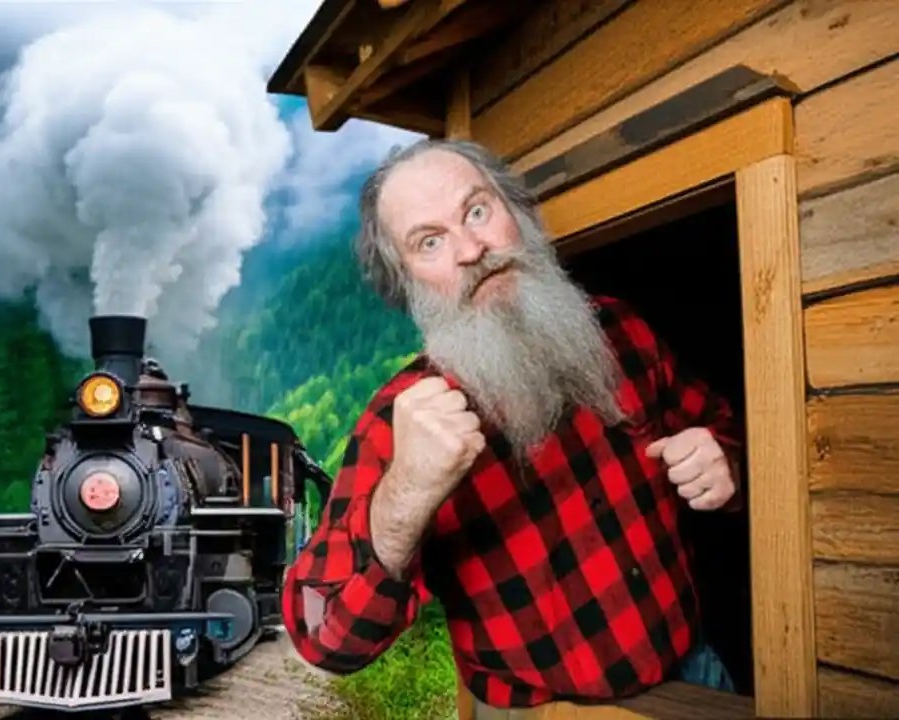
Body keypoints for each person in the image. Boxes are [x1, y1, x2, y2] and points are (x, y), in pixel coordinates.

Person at [280, 139, 744, 715]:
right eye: (430, 242)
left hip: (695, 674)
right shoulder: (400, 420)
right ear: (407, 286)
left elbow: (723, 429)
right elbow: (322, 636)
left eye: (477, 211)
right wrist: (405, 495)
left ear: (517, 213)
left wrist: (723, 463)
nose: (473, 249)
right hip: (536, 713)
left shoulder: (621, 330)